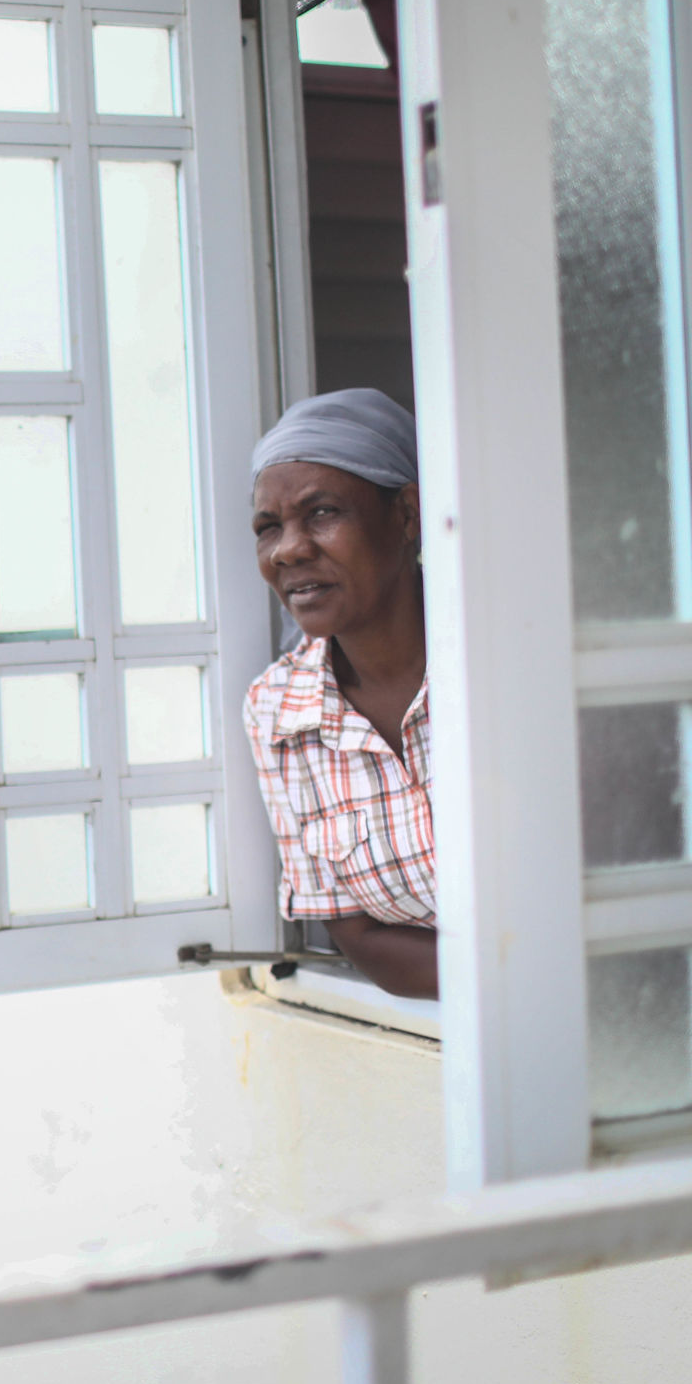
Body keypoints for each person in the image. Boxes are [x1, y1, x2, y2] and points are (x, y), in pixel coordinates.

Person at [241, 388, 437, 999]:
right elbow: (355, 932)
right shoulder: (277, 711)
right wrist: (514, 983)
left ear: (407, 515)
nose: (288, 550)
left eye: (322, 513)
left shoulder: (511, 663)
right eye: (268, 527)